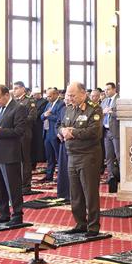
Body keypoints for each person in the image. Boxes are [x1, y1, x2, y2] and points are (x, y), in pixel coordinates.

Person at [59, 82, 104, 236]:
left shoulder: (94, 109)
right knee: (75, 192)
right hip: (72, 154)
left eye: (73, 95)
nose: (69, 98)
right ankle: (80, 223)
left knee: (89, 192)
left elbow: (94, 132)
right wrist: (63, 130)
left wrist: (73, 132)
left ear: (83, 93)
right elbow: (60, 125)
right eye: (68, 95)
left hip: (88, 155)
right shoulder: (69, 109)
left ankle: (93, 226)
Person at [0, 84, 27, 225]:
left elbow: (19, 131)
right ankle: (3, 213)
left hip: (10, 152)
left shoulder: (18, 108)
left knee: (12, 186)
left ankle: (17, 214)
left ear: (6, 95)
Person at [12, 81, 37, 195]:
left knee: (25, 159)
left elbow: (32, 116)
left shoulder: (29, 101)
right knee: (17, 159)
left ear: (23, 89)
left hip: (25, 133)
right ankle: (18, 182)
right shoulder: (15, 101)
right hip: (15, 134)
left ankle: (26, 184)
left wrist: (18, 121)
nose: (15, 91)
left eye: (17, 88)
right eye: (14, 88)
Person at [40, 87, 64, 182]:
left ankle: (61, 176)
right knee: (49, 157)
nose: (48, 98)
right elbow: (42, 116)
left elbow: (60, 118)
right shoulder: (49, 104)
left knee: (58, 157)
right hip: (47, 132)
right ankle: (49, 175)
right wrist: (45, 115)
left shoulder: (61, 104)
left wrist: (48, 116)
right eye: (47, 96)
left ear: (55, 94)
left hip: (55, 133)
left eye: (49, 96)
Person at [101, 82, 120, 192]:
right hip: (106, 131)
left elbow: (122, 114)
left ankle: (121, 179)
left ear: (114, 89)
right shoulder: (104, 101)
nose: (106, 91)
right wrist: (102, 112)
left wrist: (111, 111)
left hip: (116, 131)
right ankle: (111, 178)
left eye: (108, 89)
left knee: (118, 156)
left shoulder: (119, 100)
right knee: (108, 157)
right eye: (105, 90)